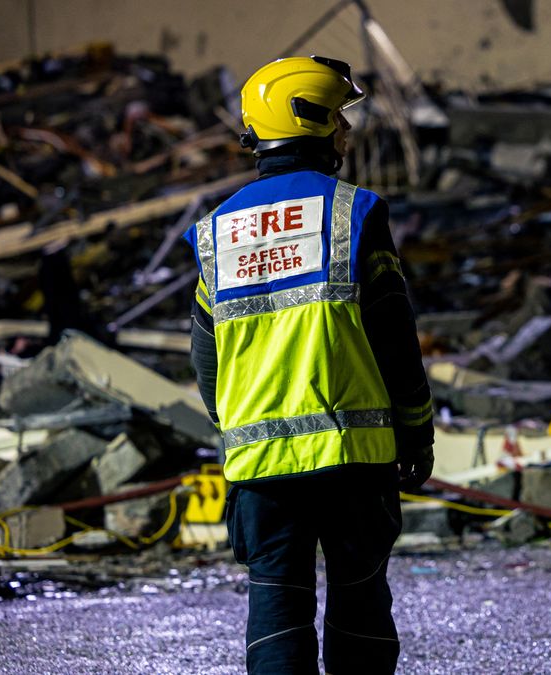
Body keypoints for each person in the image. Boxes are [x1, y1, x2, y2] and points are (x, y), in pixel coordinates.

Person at [183, 55, 435, 674]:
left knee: (277, 609)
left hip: (261, 466)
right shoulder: (353, 213)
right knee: (360, 603)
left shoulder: (217, 232)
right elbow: (394, 335)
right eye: (340, 119)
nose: (347, 133)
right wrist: (417, 427)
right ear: (312, 120)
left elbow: (204, 355)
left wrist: (236, 425)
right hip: (354, 457)